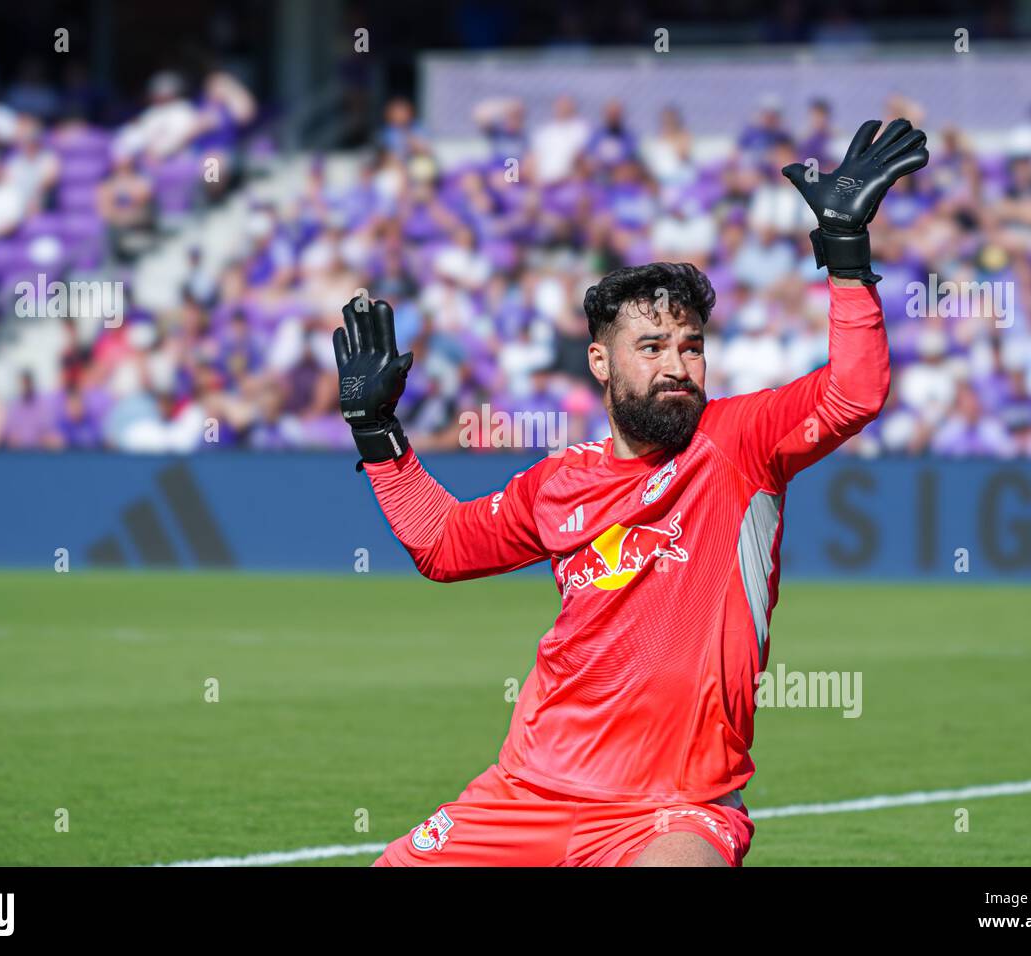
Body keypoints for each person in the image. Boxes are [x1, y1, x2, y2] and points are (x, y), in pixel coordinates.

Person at [334, 118, 929, 866]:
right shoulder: (558, 482)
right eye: (651, 348)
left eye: (691, 346)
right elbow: (445, 545)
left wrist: (845, 250)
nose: (677, 365)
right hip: (526, 798)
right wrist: (374, 429)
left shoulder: (737, 443)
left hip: (673, 810)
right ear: (600, 363)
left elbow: (855, 391)